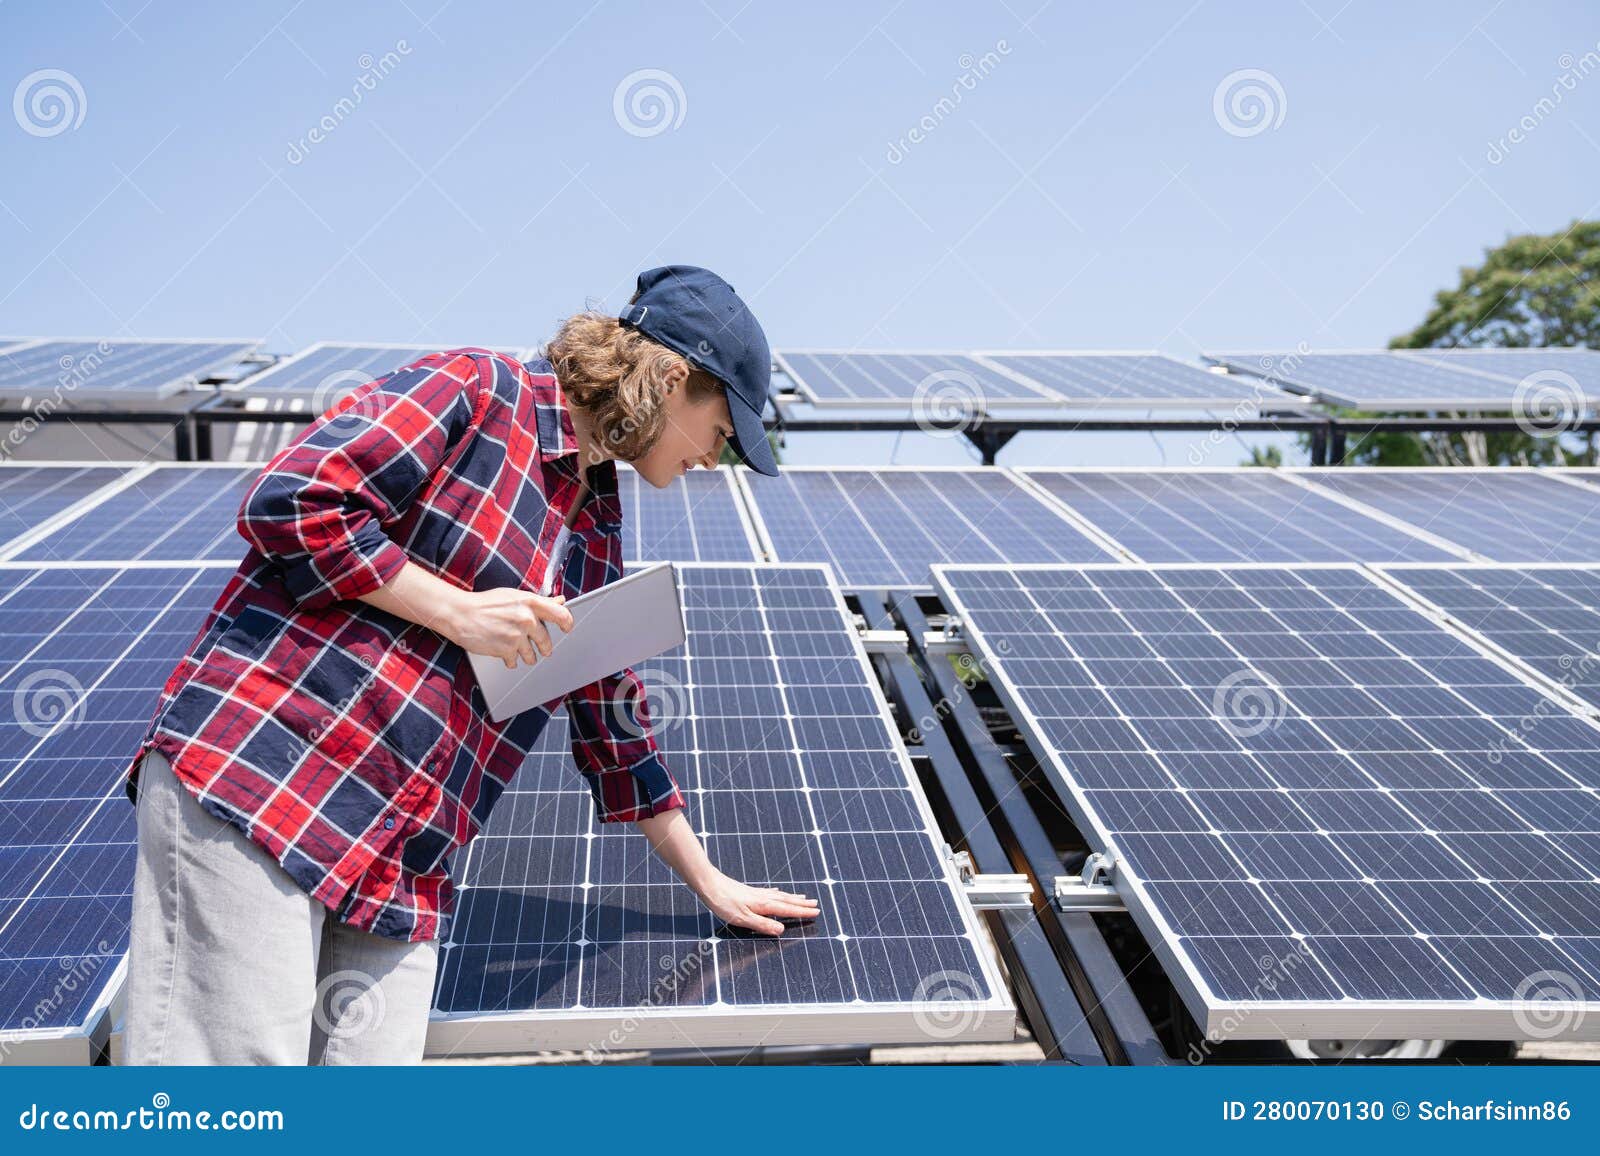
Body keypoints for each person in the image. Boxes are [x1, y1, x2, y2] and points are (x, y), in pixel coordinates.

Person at [122, 265, 819, 1065]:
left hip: (402, 857)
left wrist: (709, 881)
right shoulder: (480, 392)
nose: (718, 457)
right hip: (274, 785)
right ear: (670, 377)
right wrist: (457, 611)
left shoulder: (594, 526)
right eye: (723, 430)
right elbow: (295, 497)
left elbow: (613, 724)